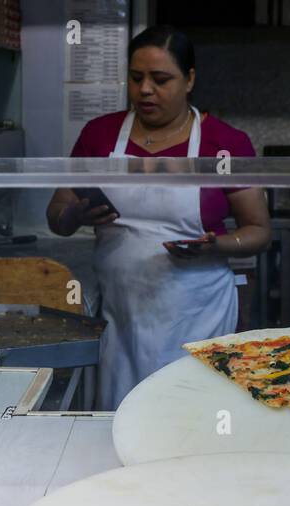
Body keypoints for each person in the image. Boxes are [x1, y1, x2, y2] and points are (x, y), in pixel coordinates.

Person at [47, 26, 270, 410]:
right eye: (136, 79)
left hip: (198, 314)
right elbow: (56, 217)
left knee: (192, 417)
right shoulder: (99, 136)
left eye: (160, 79)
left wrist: (215, 245)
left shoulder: (224, 143)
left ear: (190, 80)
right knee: (121, 416)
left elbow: (259, 230)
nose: (145, 90)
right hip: (121, 315)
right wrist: (76, 215)